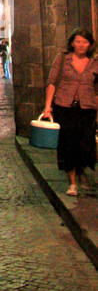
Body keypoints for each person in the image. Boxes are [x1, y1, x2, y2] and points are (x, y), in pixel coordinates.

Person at [39, 30, 98, 197]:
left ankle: (81, 171)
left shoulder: (94, 62)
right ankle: (72, 182)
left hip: (87, 108)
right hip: (65, 106)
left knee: (86, 143)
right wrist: (47, 106)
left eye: (84, 42)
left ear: (90, 44)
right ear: (72, 43)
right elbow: (52, 82)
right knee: (68, 144)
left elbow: (96, 89)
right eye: (78, 41)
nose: (81, 45)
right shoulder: (63, 59)